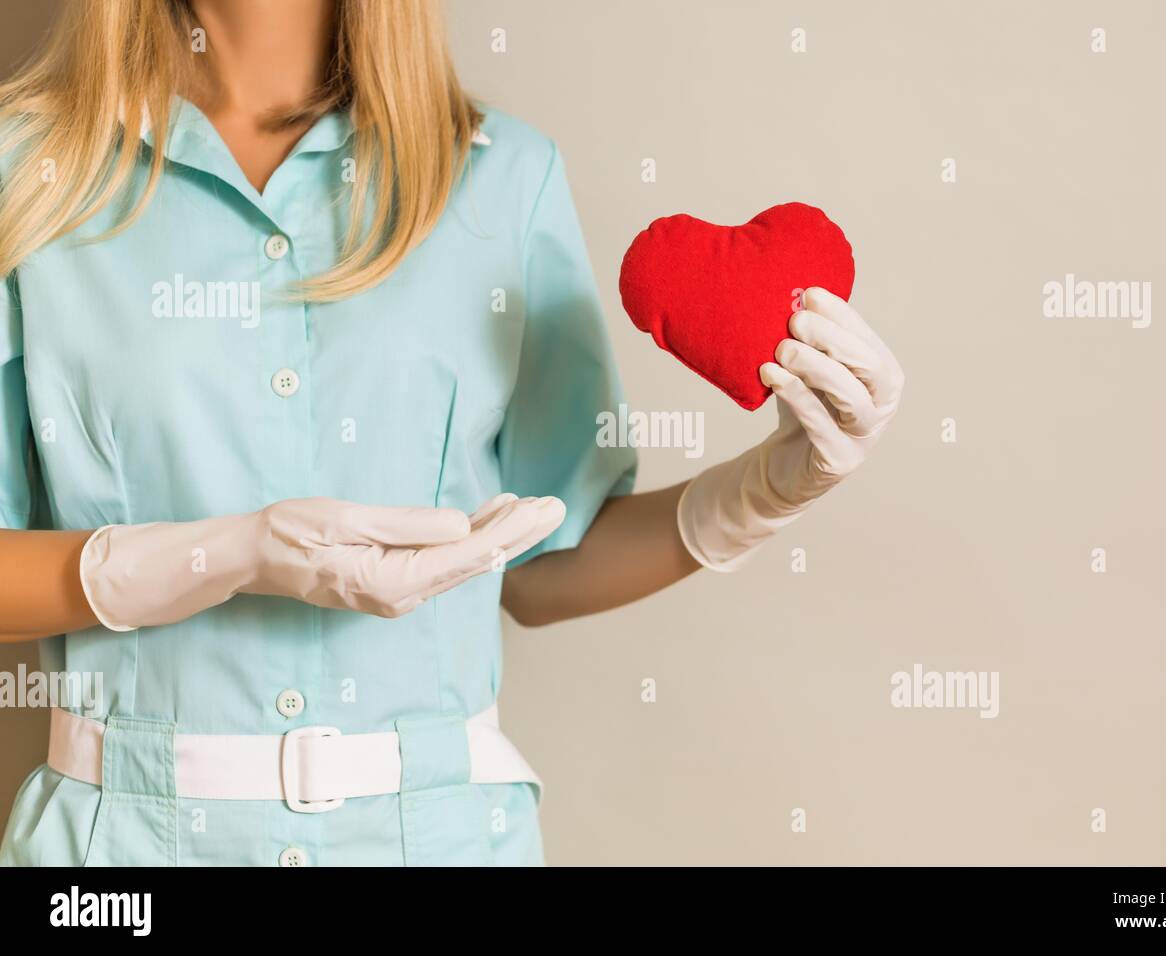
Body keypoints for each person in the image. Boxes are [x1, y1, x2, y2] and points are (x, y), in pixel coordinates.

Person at [0, 0, 903, 866]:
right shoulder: (26, 171)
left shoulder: (505, 178)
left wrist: (763, 492)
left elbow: (543, 564)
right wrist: (230, 553)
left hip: (439, 841)